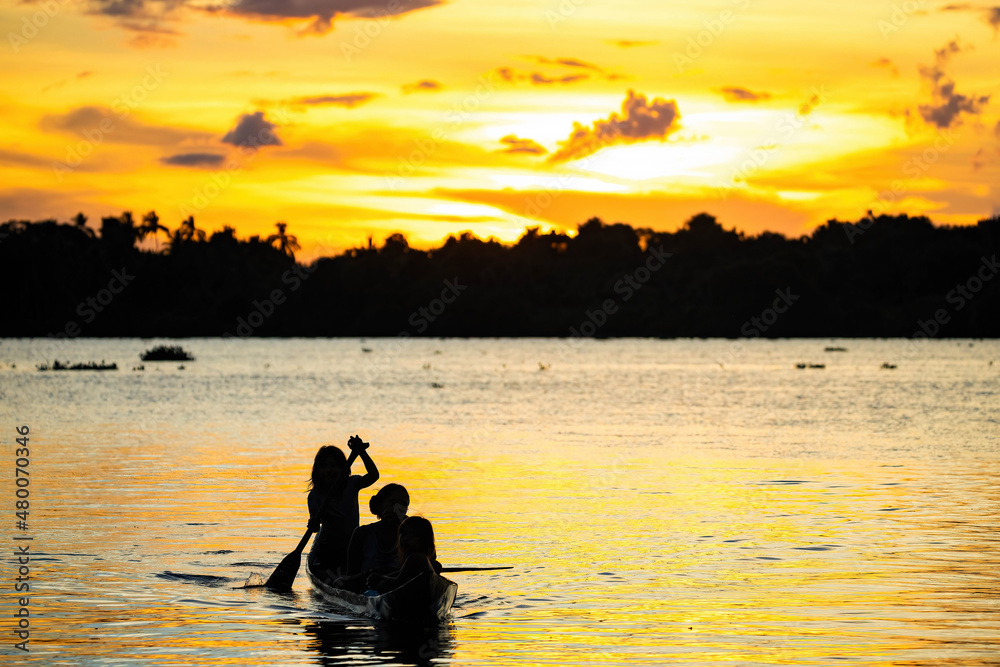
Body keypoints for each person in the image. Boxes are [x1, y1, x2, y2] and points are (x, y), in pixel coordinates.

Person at [306, 435, 379, 581]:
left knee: (354, 572)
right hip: (328, 548)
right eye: (324, 467)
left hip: (351, 545)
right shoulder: (315, 496)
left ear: (342, 468)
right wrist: (312, 524)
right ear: (317, 470)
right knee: (329, 576)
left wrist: (362, 452)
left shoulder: (352, 484)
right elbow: (315, 525)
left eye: (334, 466)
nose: (329, 470)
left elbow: (373, 475)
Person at [346, 483, 410, 576]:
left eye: (403, 505)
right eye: (392, 503)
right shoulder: (362, 533)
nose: (397, 509)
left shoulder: (412, 535)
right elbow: (351, 574)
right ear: (379, 505)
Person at [367, 516, 442, 594]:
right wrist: (383, 576)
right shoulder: (420, 558)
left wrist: (380, 578)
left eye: (412, 535)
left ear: (424, 540)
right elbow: (400, 573)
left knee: (383, 585)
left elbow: (399, 581)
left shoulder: (416, 557)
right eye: (403, 534)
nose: (405, 538)